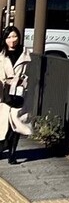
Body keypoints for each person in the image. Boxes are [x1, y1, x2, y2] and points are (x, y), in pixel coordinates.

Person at [1, 26, 32, 164]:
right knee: (3, 123)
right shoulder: (1, 54)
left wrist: (23, 81)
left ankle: (12, 153)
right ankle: (4, 147)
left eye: (14, 36)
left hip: (18, 92)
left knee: (16, 122)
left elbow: (29, 73)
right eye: (8, 37)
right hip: (3, 93)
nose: (12, 40)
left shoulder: (25, 53)